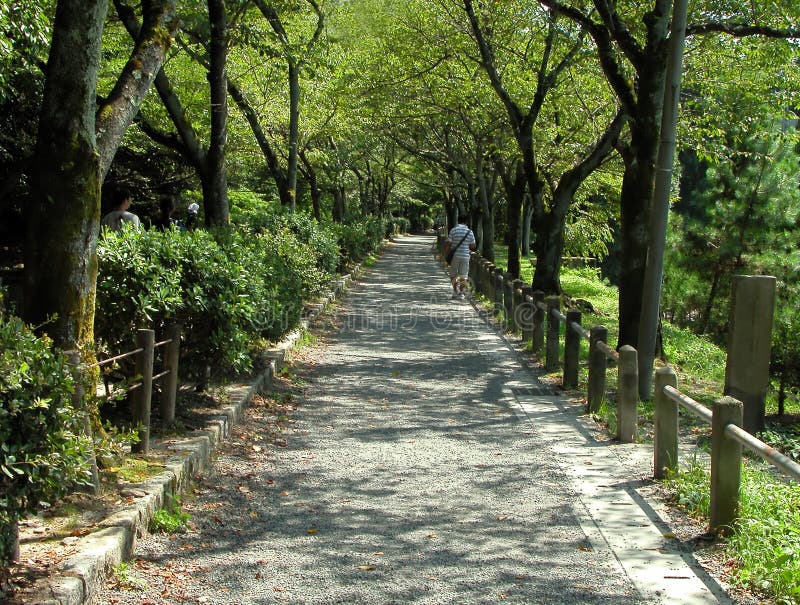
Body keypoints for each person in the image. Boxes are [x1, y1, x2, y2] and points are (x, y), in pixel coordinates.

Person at [445, 216, 476, 299]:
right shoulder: (470, 232)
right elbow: (473, 245)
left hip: (455, 256)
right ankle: (462, 294)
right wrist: (466, 245)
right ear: (466, 222)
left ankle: (455, 292)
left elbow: (448, 243)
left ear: (458, 221)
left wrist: (445, 254)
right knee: (463, 276)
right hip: (465, 256)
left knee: (453, 274)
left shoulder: (453, 230)